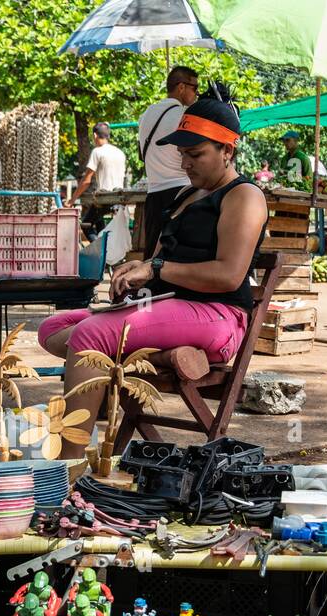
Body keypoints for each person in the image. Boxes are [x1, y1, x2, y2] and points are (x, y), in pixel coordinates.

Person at [38, 98, 267, 460]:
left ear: (227, 149)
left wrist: (156, 270)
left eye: (195, 153)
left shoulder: (244, 196)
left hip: (218, 315)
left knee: (90, 335)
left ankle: (69, 467)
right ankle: (160, 355)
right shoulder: (185, 195)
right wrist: (137, 268)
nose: (185, 162)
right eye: (182, 154)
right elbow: (159, 259)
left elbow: (228, 275)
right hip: (168, 309)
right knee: (52, 329)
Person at [136, 66, 199, 256]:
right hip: (182, 192)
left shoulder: (146, 114)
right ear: (181, 87)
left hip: (154, 195)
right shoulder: (186, 114)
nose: (197, 94)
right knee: (178, 256)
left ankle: (149, 288)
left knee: (152, 259)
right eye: (195, 88)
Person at [67, 121, 126, 240]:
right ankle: (104, 251)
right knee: (99, 223)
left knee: (86, 224)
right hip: (119, 198)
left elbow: (86, 181)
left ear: (94, 135)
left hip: (105, 198)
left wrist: (71, 201)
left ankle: (100, 252)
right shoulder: (120, 153)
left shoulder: (97, 151)